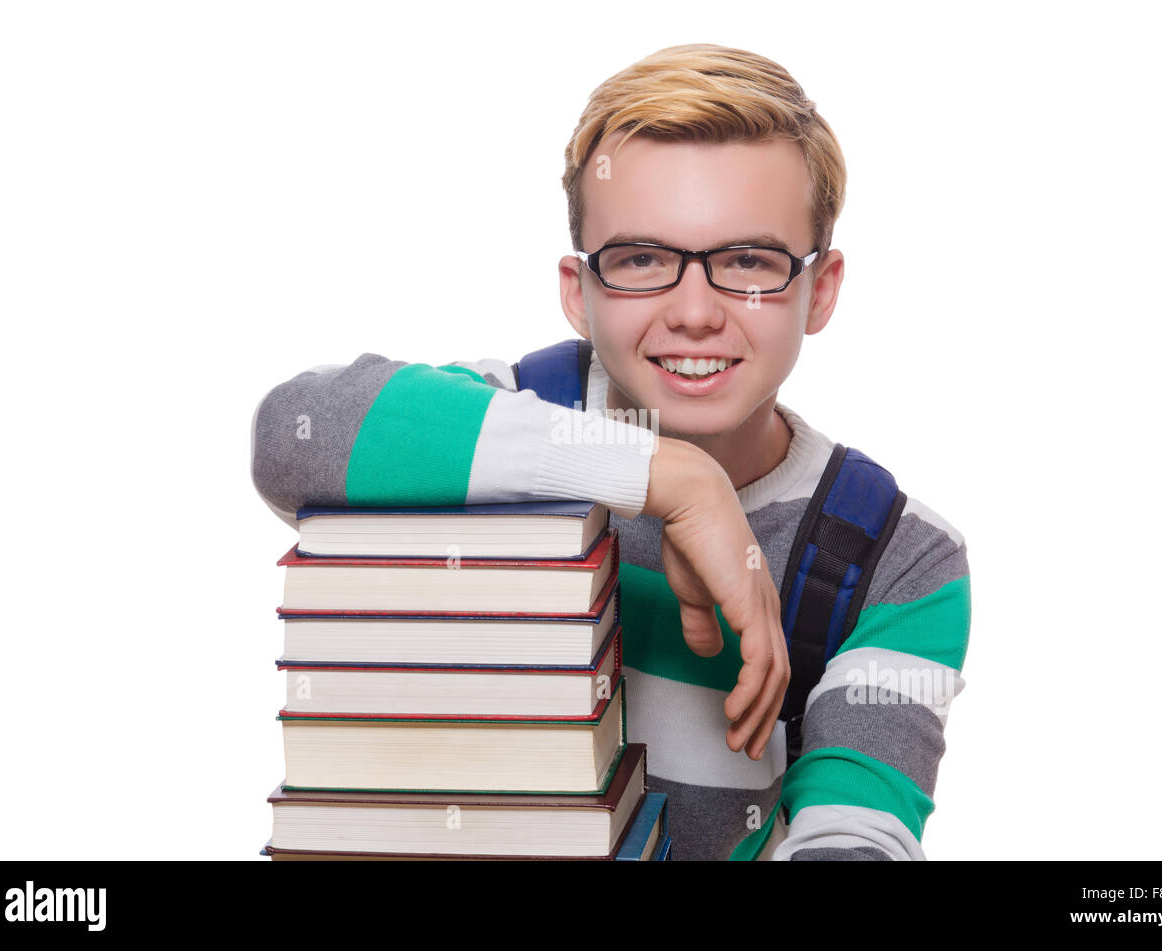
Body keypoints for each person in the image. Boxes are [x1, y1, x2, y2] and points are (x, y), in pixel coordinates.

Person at [251, 43, 971, 860]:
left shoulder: (895, 556)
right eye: (641, 260)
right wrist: (672, 478)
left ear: (821, 289)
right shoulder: (506, 421)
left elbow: (854, 828)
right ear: (577, 293)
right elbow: (290, 432)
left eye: (747, 262)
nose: (695, 311)